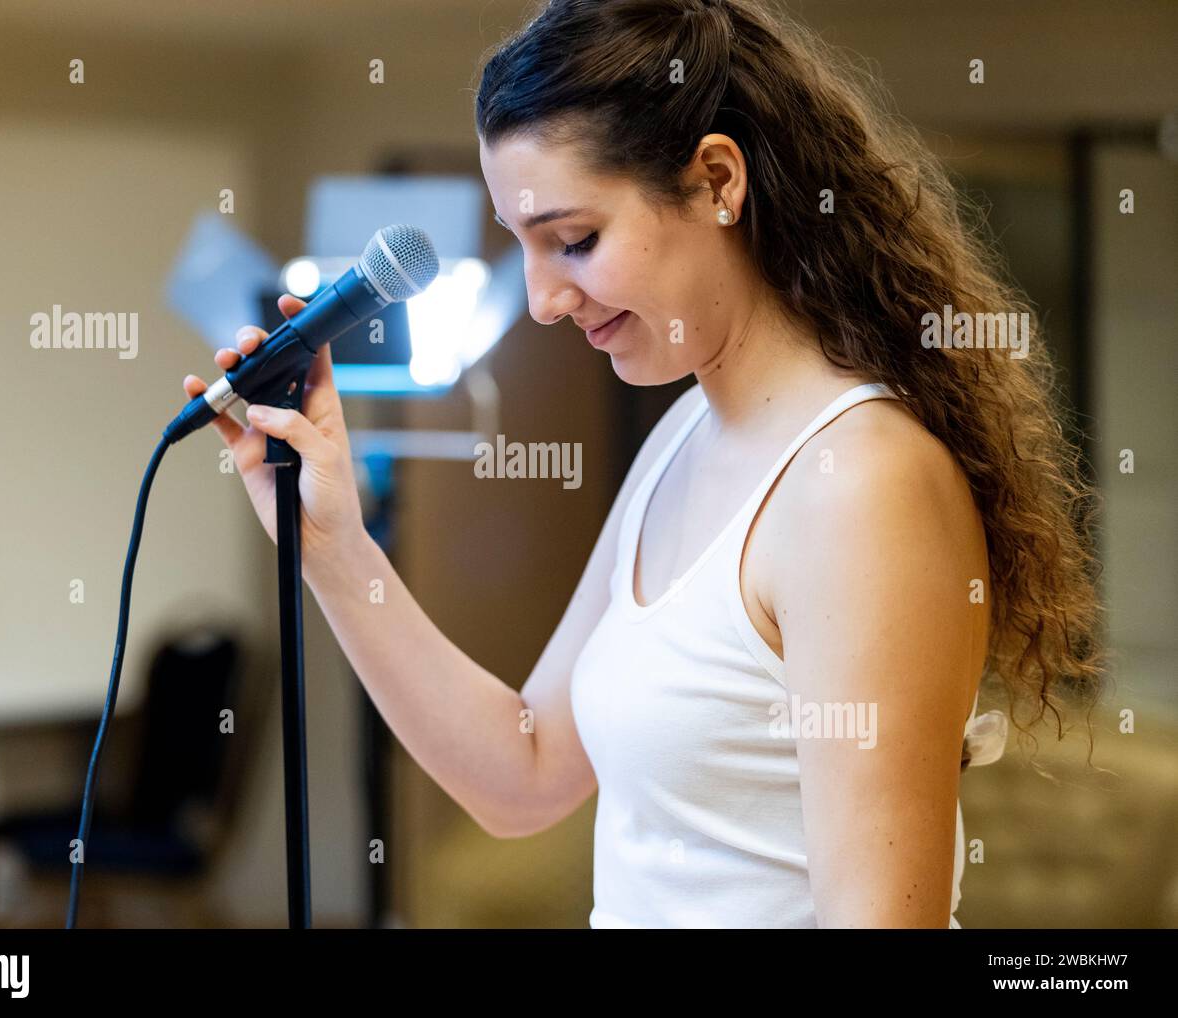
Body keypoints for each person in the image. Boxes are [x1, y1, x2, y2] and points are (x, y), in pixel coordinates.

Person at [182, 0, 1103, 928]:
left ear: (715, 181)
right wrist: (333, 547)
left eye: (574, 240)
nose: (542, 298)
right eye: (524, 246)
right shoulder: (681, 440)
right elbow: (526, 775)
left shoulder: (859, 484)